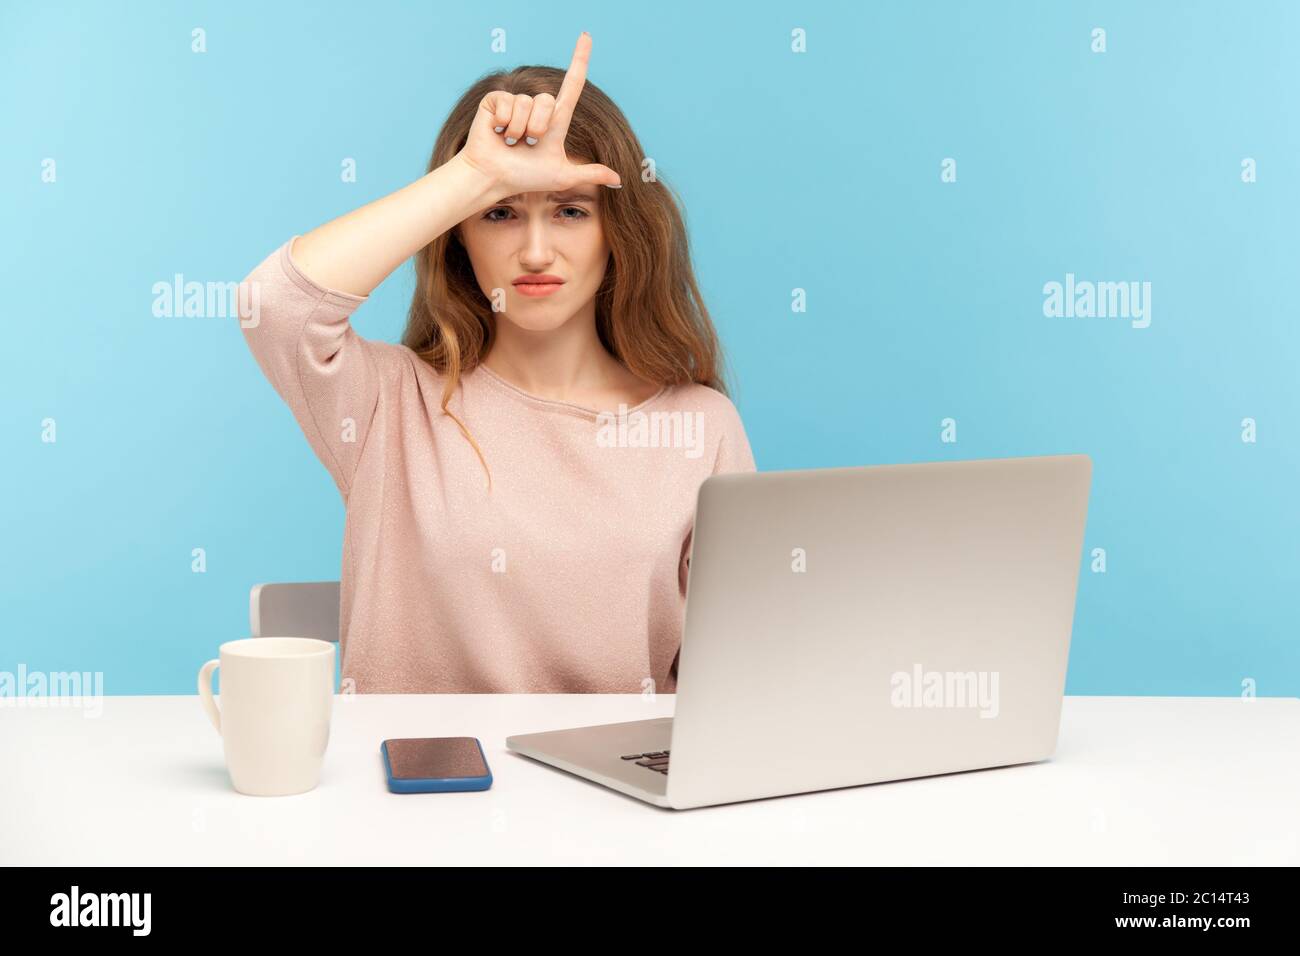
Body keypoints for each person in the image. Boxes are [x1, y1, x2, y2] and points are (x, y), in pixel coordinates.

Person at [238, 32, 755, 693]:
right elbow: (274, 304)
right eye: (501, 214)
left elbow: (731, 684)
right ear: (459, 236)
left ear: (617, 232)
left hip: (611, 792)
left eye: (570, 211)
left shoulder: (703, 428)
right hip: (416, 792)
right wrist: (473, 174)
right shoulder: (390, 403)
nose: (537, 251)